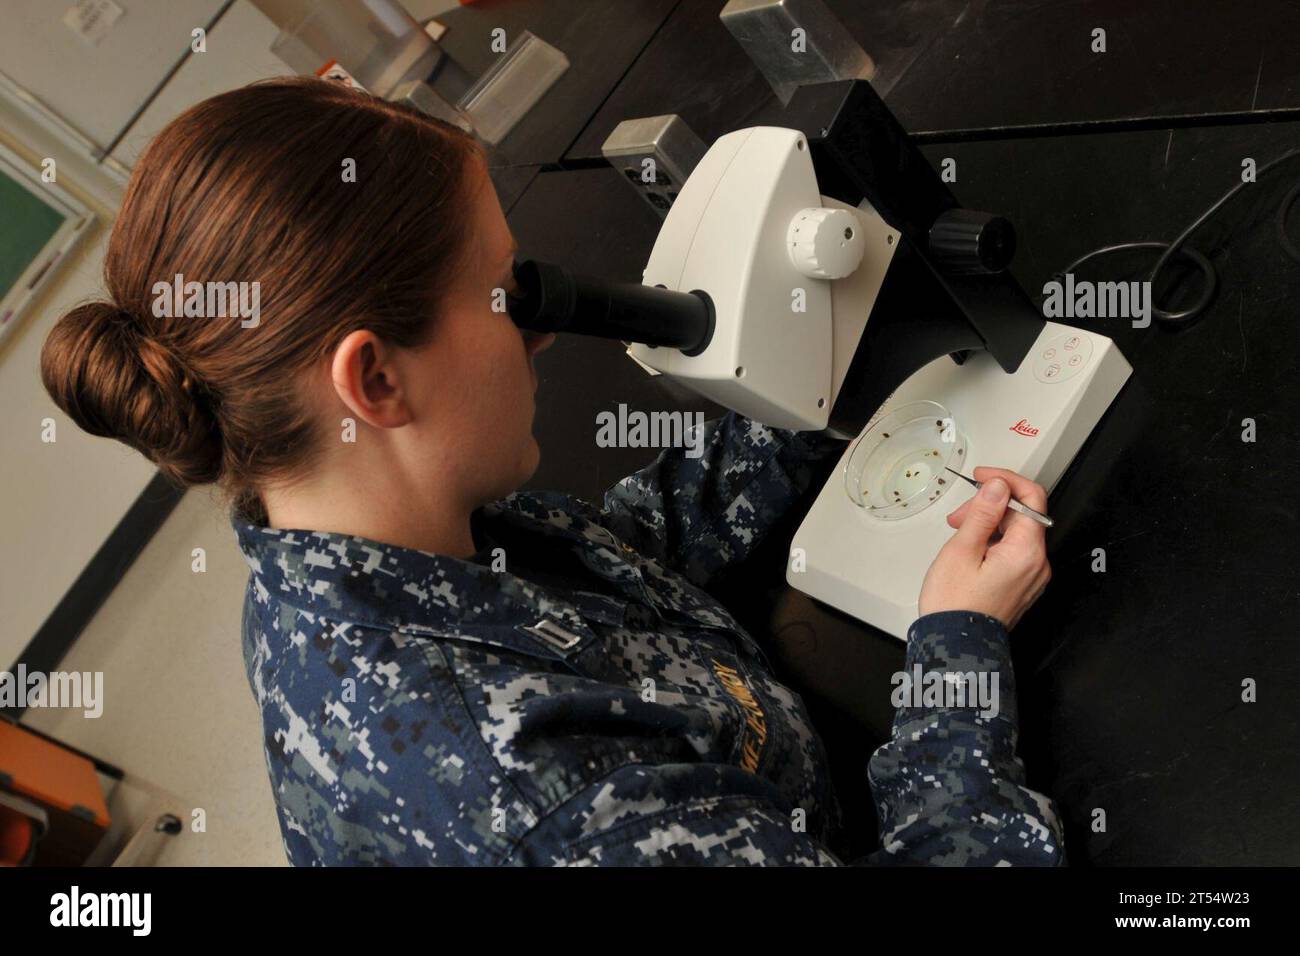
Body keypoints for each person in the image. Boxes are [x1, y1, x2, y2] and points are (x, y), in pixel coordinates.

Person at [40, 77, 1062, 866]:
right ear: (376, 379)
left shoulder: (347, 540)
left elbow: (617, 566)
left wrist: (806, 407)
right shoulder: (539, 806)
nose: (538, 333)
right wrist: (956, 654)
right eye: (501, 294)